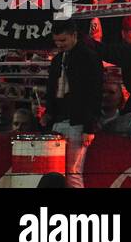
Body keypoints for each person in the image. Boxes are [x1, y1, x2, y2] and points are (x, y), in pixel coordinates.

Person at [43, 21, 103, 189]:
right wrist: (48, 113)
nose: (59, 45)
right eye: (56, 41)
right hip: (58, 120)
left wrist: (89, 127)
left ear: (74, 36)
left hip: (78, 122)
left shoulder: (88, 57)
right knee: (56, 172)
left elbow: (94, 93)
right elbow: (51, 89)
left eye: (63, 41)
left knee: (73, 172)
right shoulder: (58, 60)